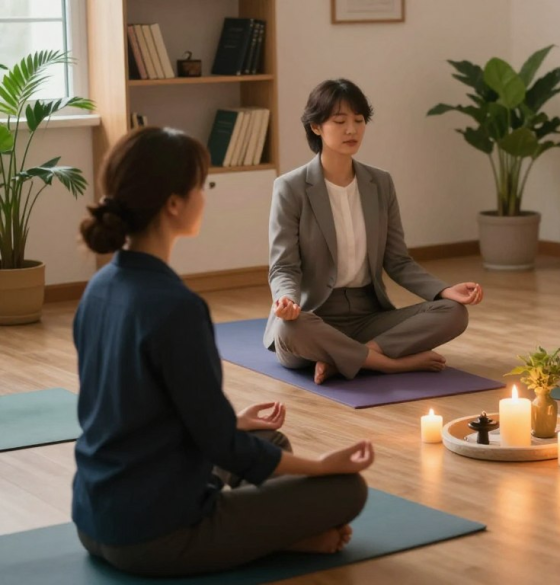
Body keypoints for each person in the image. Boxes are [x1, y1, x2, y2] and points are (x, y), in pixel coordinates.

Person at [74, 127, 374, 577]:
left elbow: (125, 413)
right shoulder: (177, 307)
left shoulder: (98, 289)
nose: (203, 196)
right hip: (158, 537)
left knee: (266, 438)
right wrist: (320, 466)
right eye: (200, 185)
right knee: (346, 490)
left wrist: (233, 421)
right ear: (175, 203)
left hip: (93, 518)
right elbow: (223, 446)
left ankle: (272, 531)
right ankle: (279, 538)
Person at [265, 78, 483, 385]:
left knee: (454, 312)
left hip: (370, 317)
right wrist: (286, 304)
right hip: (313, 317)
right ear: (316, 127)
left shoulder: (380, 183)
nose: (352, 130)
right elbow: (284, 266)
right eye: (340, 121)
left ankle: (353, 358)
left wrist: (444, 291)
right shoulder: (291, 187)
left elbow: (398, 261)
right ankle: (389, 364)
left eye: (358, 120)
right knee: (288, 329)